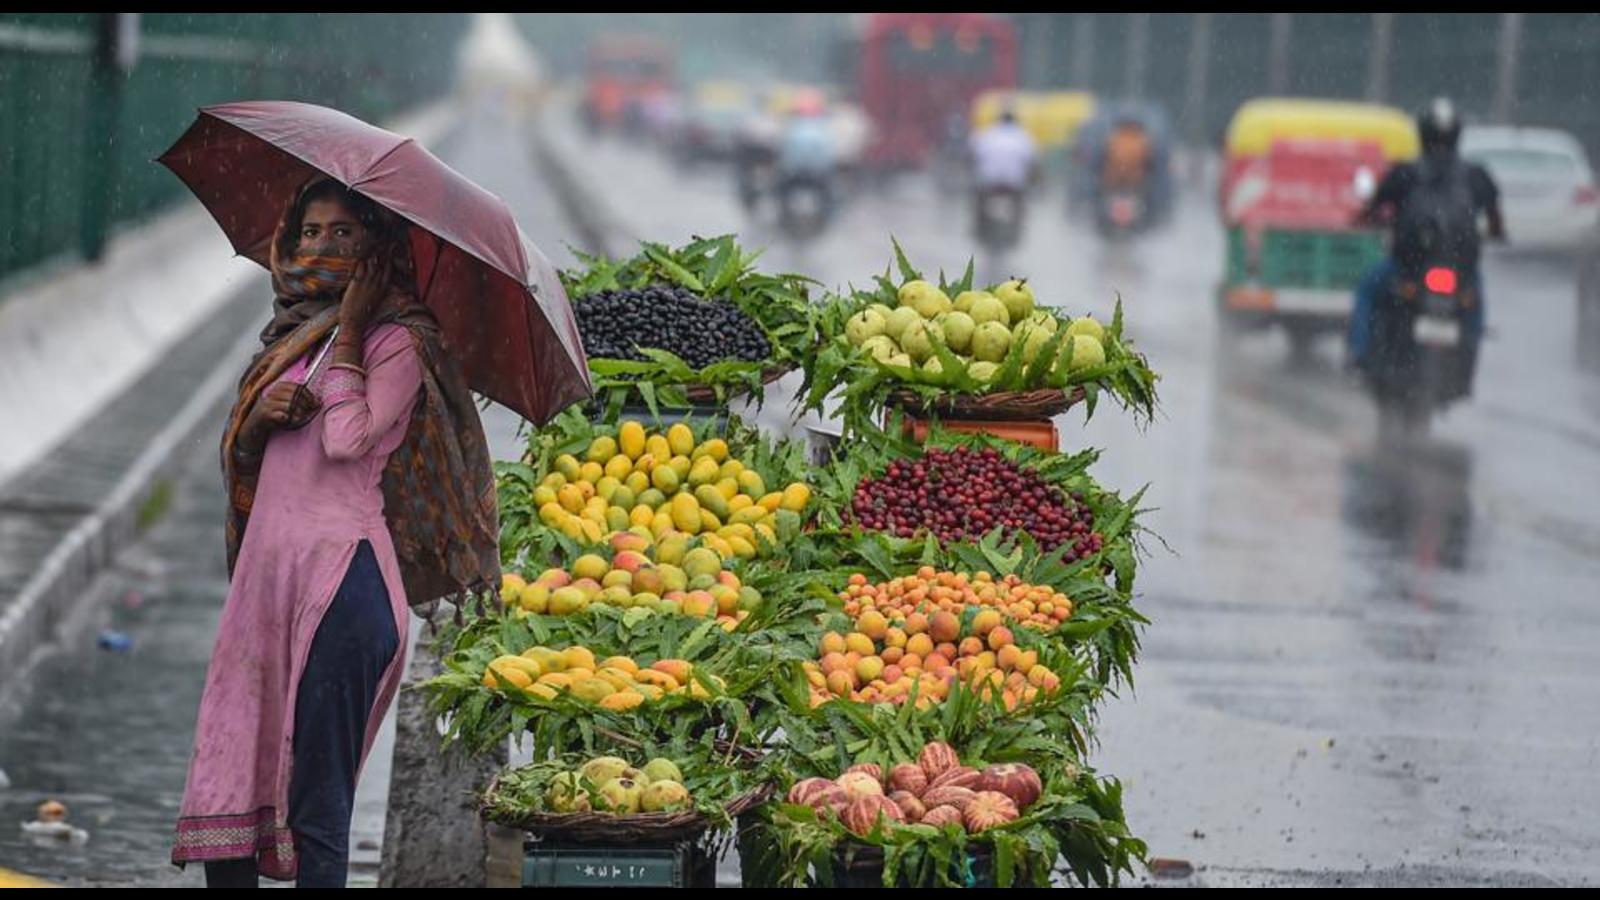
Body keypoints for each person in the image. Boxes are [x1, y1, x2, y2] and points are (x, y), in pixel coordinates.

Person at [171, 177, 498, 887]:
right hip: (265, 586)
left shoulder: (401, 342)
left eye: (344, 233)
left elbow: (347, 440)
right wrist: (257, 422)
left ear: (379, 248)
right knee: (229, 772)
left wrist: (351, 331)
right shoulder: (290, 339)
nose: (323, 246)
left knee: (319, 802)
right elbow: (249, 462)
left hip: (343, 585)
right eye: (311, 232)